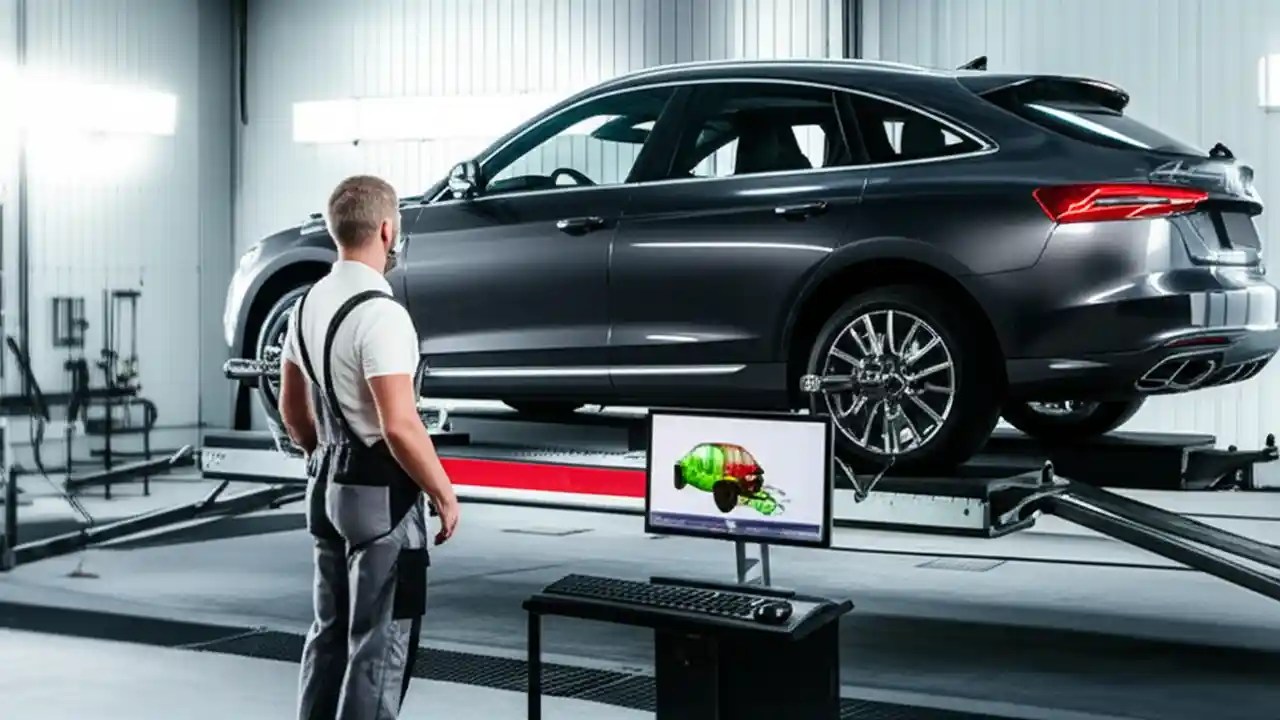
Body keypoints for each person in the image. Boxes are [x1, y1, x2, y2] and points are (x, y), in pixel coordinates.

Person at [278, 174, 461, 720]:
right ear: (386, 230)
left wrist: (324, 452)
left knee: (329, 635)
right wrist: (443, 492)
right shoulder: (383, 315)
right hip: (382, 498)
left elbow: (293, 410)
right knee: (378, 650)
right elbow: (400, 426)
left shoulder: (305, 305)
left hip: (325, 487)